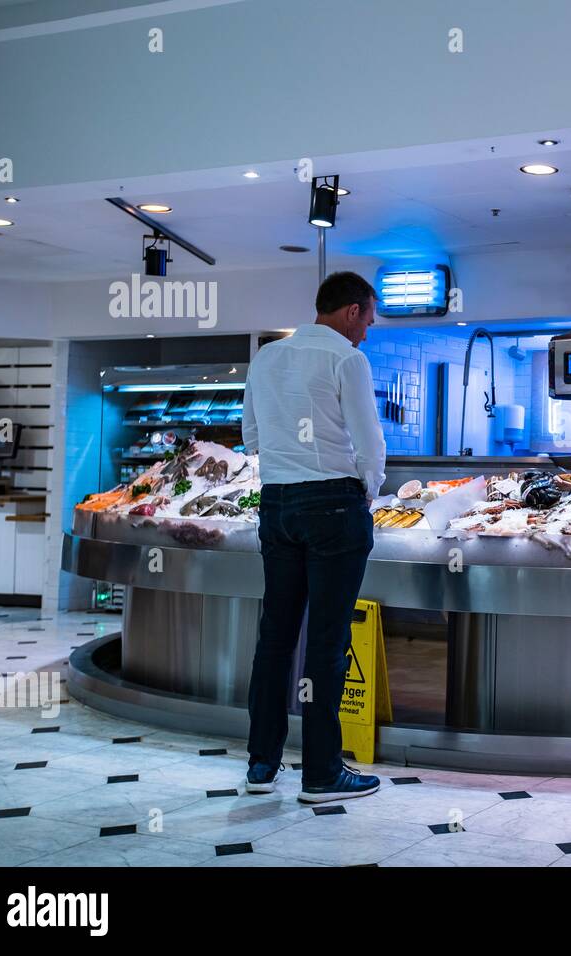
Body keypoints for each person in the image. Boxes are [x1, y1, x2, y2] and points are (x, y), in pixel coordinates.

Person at [240, 271, 387, 803]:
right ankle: (322, 773)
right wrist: (366, 491)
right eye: (367, 320)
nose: (367, 333)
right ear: (351, 311)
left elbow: (251, 436)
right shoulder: (347, 359)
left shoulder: (267, 357)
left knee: (275, 636)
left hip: (277, 504)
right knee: (327, 641)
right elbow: (369, 441)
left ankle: (261, 764)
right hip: (332, 505)